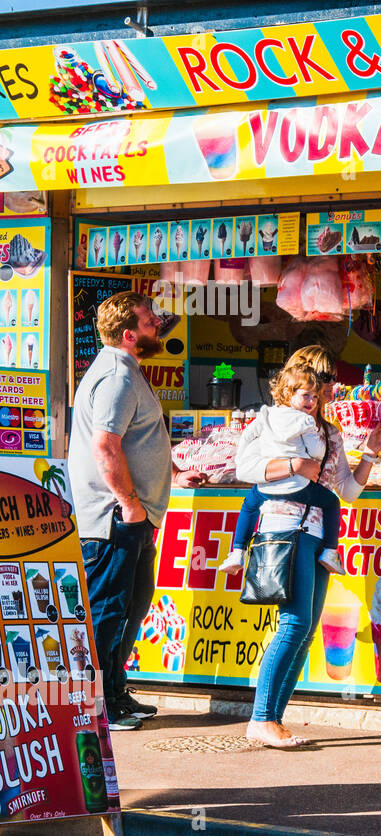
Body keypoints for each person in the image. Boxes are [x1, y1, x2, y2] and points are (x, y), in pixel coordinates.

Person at [235, 345, 381, 748]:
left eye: (328, 380)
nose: (327, 387)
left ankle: (274, 718)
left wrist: (371, 452)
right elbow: (244, 469)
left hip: (318, 534)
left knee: (305, 631)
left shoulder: (330, 433)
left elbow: (347, 492)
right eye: (320, 379)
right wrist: (294, 466)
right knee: (293, 624)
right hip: (284, 526)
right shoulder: (268, 422)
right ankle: (262, 718)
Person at [69, 292, 207, 730]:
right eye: (149, 321)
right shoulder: (116, 376)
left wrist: (170, 476)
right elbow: (106, 445)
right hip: (116, 517)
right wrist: (128, 502)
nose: (158, 325)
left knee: (131, 605)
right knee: (109, 610)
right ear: (129, 335)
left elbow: (133, 441)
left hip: (133, 514)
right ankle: (98, 706)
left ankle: (115, 691)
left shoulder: (126, 371)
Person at [219, 365, 344, 576]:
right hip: (297, 486)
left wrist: (242, 456)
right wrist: (313, 448)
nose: (311, 401)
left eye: (314, 397)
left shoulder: (266, 415)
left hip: (267, 486)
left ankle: (237, 551)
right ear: (288, 392)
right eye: (306, 395)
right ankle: (331, 551)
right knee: (332, 502)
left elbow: (247, 436)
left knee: (249, 506)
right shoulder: (305, 421)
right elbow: (316, 450)